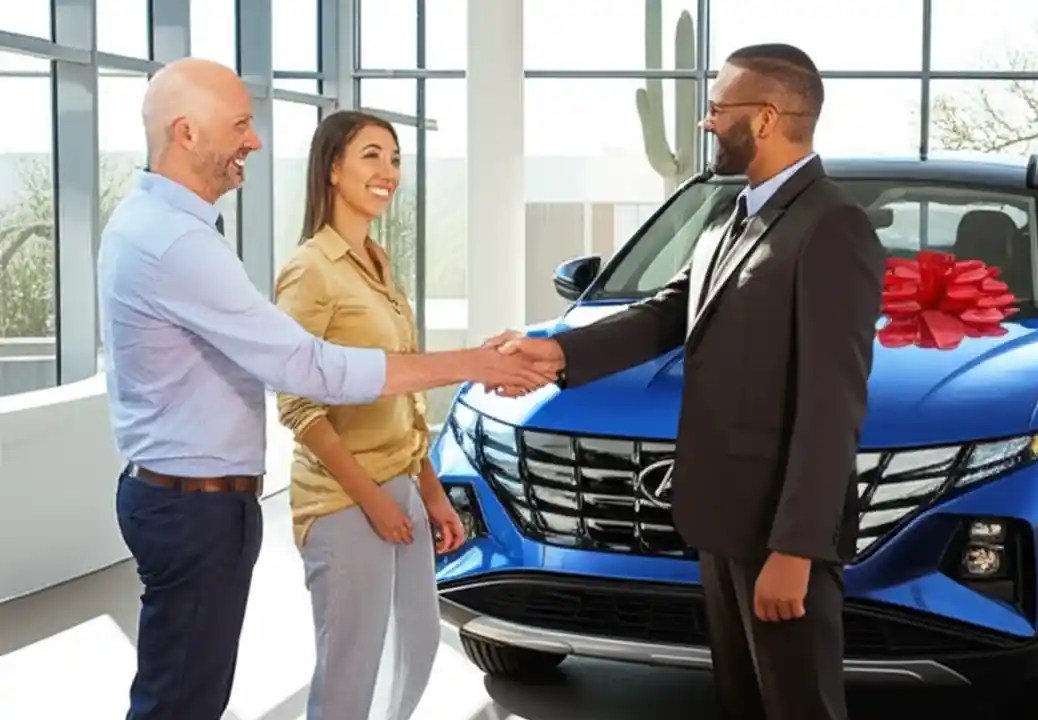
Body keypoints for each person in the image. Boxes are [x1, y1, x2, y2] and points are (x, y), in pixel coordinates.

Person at [97, 58, 555, 720]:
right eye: (241, 126)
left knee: (191, 693)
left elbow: (356, 383)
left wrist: (424, 485)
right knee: (186, 701)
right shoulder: (177, 244)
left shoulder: (170, 228)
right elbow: (307, 373)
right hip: (198, 508)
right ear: (186, 132)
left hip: (197, 503)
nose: (253, 141)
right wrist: (472, 365)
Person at [486, 44, 886, 720]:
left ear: (763, 119)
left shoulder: (831, 227)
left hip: (779, 533)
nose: (706, 122)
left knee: (799, 705)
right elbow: (668, 314)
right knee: (744, 701)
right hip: (725, 519)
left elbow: (831, 404)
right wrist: (553, 353)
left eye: (717, 108)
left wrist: (797, 548)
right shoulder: (733, 217)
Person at [271, 110, 454, 720]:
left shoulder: (376, 265)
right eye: (372, 155)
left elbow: (401, 395)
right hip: (343, 501)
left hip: (398, 485)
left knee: (418, 645)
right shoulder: (310, 270)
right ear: (333, 168)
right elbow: (297, 402)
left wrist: (429, 491)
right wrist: (371, 498)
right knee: (352, 674)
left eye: (396, 158)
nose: (389, 172)